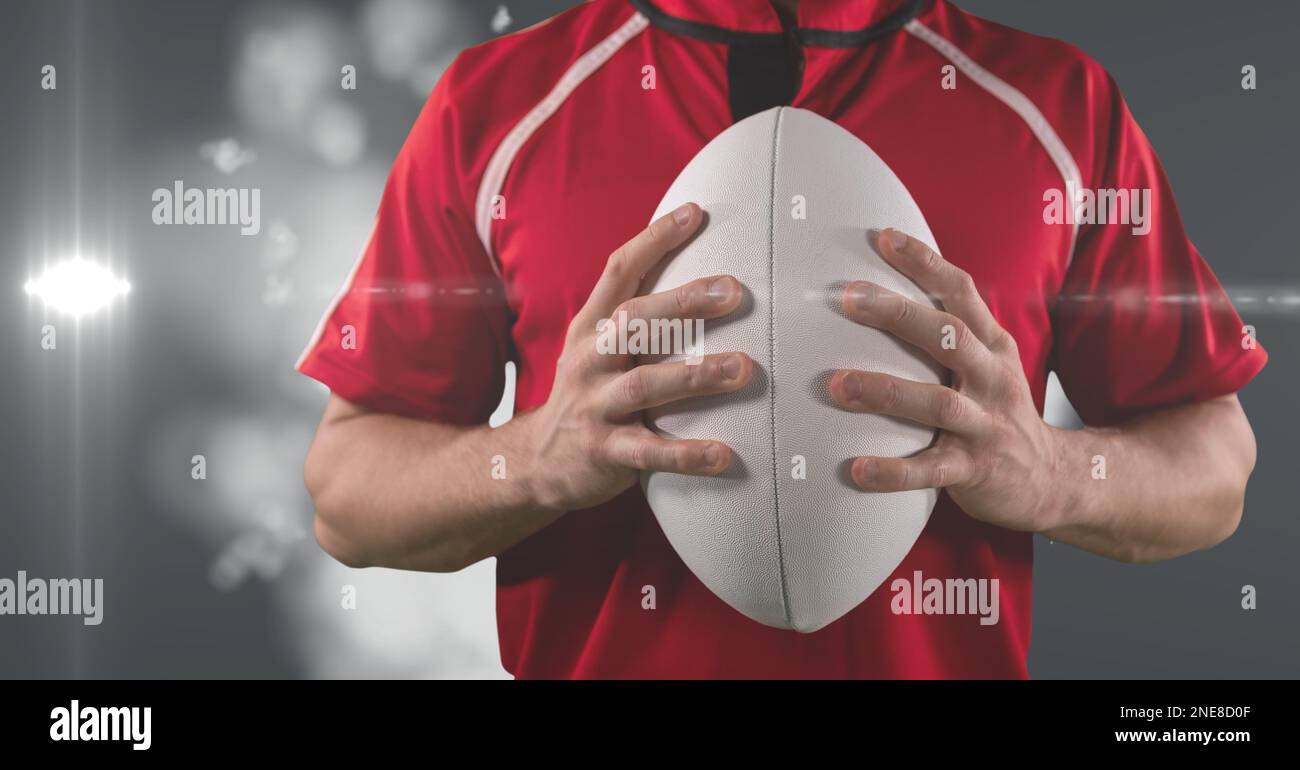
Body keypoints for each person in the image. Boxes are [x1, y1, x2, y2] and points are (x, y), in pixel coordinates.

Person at [297, 0, 1265, 678]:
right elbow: (350, 496)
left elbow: (1211, 470)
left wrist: (1051, 471)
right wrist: (535, 458)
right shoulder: (498, 104)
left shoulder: (1056, 103)